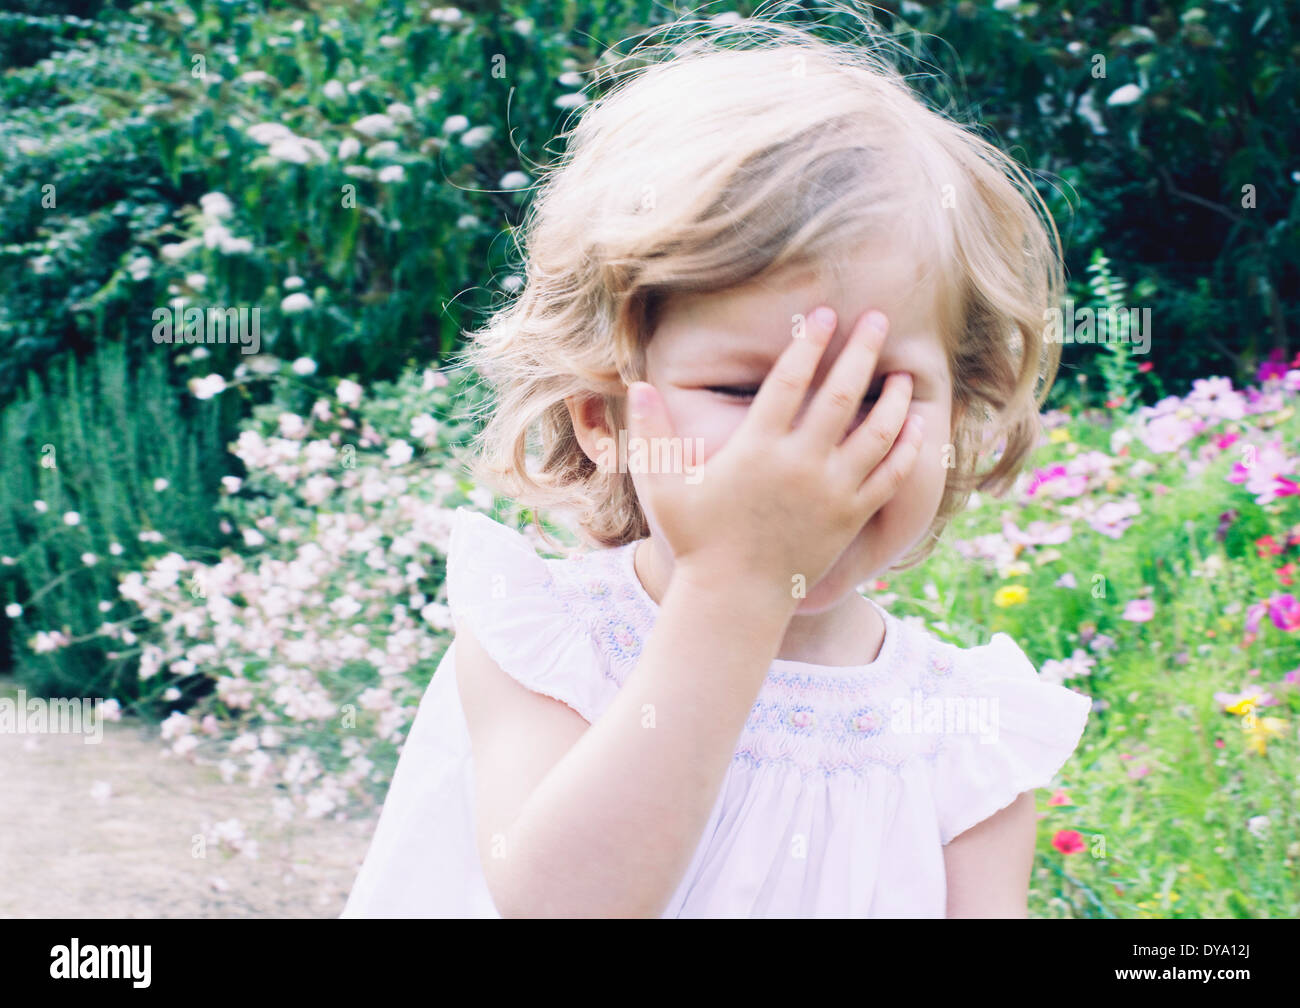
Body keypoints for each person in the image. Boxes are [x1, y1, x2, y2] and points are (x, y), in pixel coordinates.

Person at [341, 6, 1090, 918]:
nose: (807, 444)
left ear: (962, 411)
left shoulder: (967, 736)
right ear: (602, 418)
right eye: (743, 392)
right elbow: (564, 905)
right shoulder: (551, 646)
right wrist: (737, 584)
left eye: (876, 388)